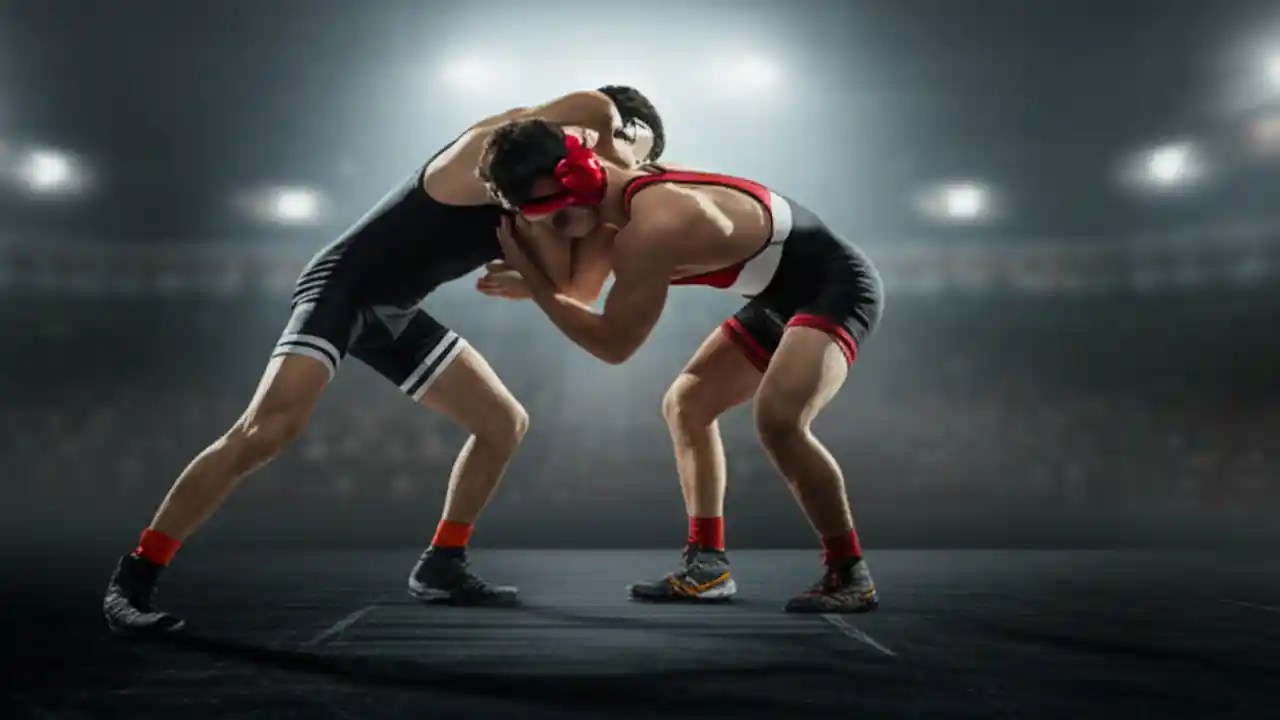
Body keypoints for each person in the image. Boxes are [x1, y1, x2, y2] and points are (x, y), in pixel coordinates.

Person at [102, 86, 666, 635]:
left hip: (393, 307)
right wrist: (606, 181)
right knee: (264, 431)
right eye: (537, 206)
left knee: (503, 424)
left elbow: (574, 290)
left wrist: (550, 260)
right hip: (342, 287)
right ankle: (133, 580)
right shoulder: (500, 151)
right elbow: (566, 267)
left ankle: (442, 564)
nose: (549, 216)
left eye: (560, 205)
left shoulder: (551, 185)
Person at [477, 118, 884, 613]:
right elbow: (583, 288)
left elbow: (613, 345)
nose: (554, 235)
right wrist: (539, 280)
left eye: (558, 220)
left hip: (833, 286)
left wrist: (538, 288)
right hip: (778, 288)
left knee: (779, 421)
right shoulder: (618, 192)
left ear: (580, 180)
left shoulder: (654, 226)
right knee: (686, 404)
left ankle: (850, 572)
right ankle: (707, 566)